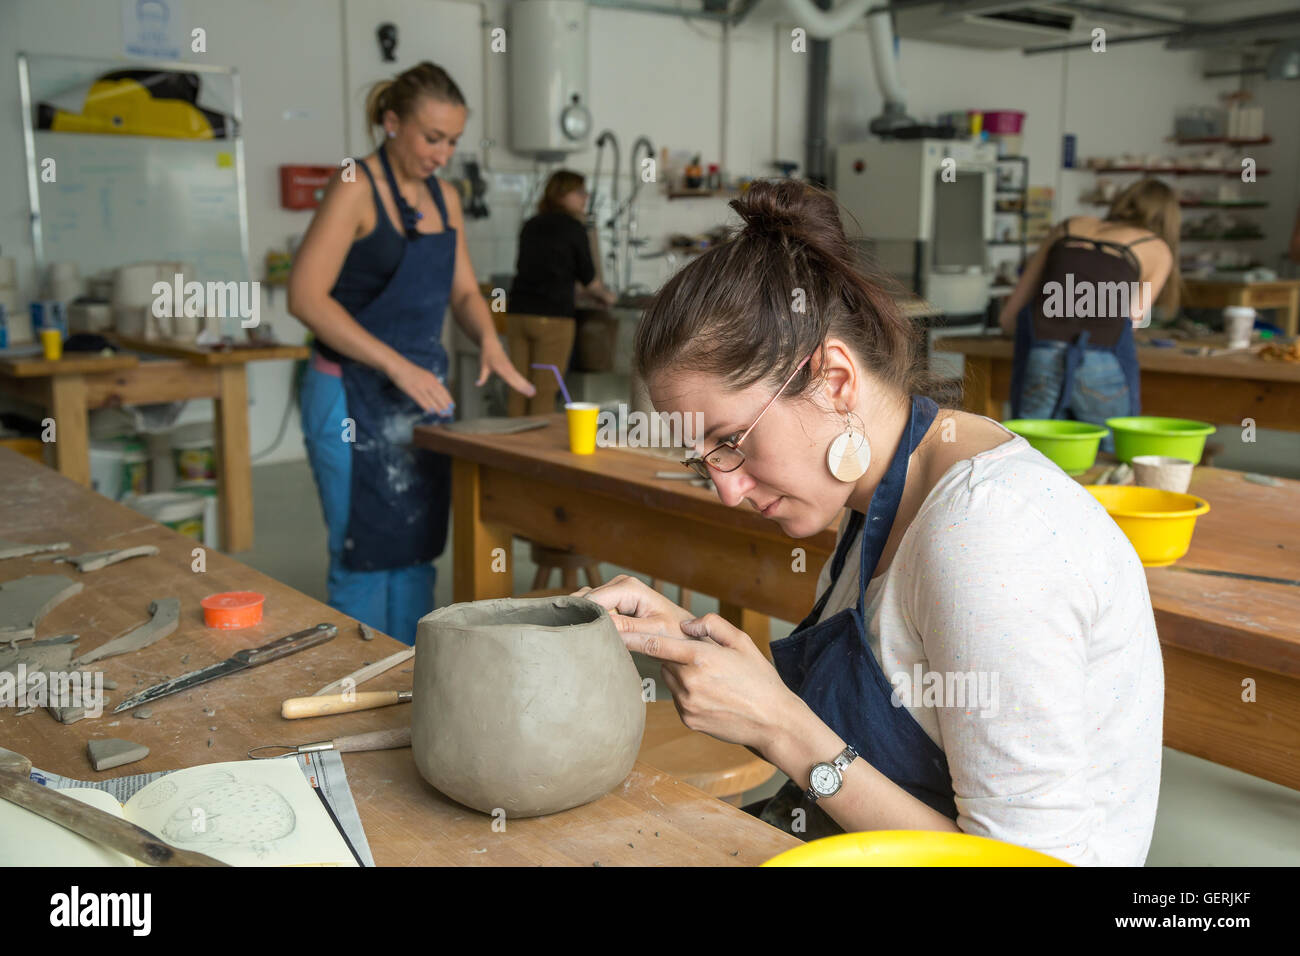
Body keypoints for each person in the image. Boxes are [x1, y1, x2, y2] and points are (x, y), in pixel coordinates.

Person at [576, 180, 1164, 865]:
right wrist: (693, 642)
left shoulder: (987, 542)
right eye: (702, 458)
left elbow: (1032, 866)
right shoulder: (879, 492)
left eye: (731, 441)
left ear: (834, 379)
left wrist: (782, 727)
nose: (727, 491)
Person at [288, 62, 533, 644]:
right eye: (431, 137)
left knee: (419, 545)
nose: (442, 153)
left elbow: (465, 291)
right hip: (352, 396)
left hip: (422, 401)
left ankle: (408, 684)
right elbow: (305, 296)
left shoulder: (445, 198)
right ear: (391, 122)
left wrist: (491, 340)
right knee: (366, 551)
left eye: (452, 140)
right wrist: (397, 365)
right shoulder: (355, 186)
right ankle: (355, 687)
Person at [998, 179, 1180, 447]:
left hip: (1043, 357)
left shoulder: (1068, 227)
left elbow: (1008, 318)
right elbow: (1133, 321)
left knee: (1033, 457)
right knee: (1108, 456)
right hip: (1102, 362)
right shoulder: (1156, 248)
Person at [506, 170, 616, 416]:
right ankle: (535, 452)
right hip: (553, 317)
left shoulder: (530, 224)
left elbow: (538, 267)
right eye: (579, 192)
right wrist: (608, 297)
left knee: (518, 388)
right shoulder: (573, 228)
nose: (585, 197)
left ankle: (511, 451)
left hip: (517, 315)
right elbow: (589, 279)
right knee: (544, 391)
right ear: (561, 194)